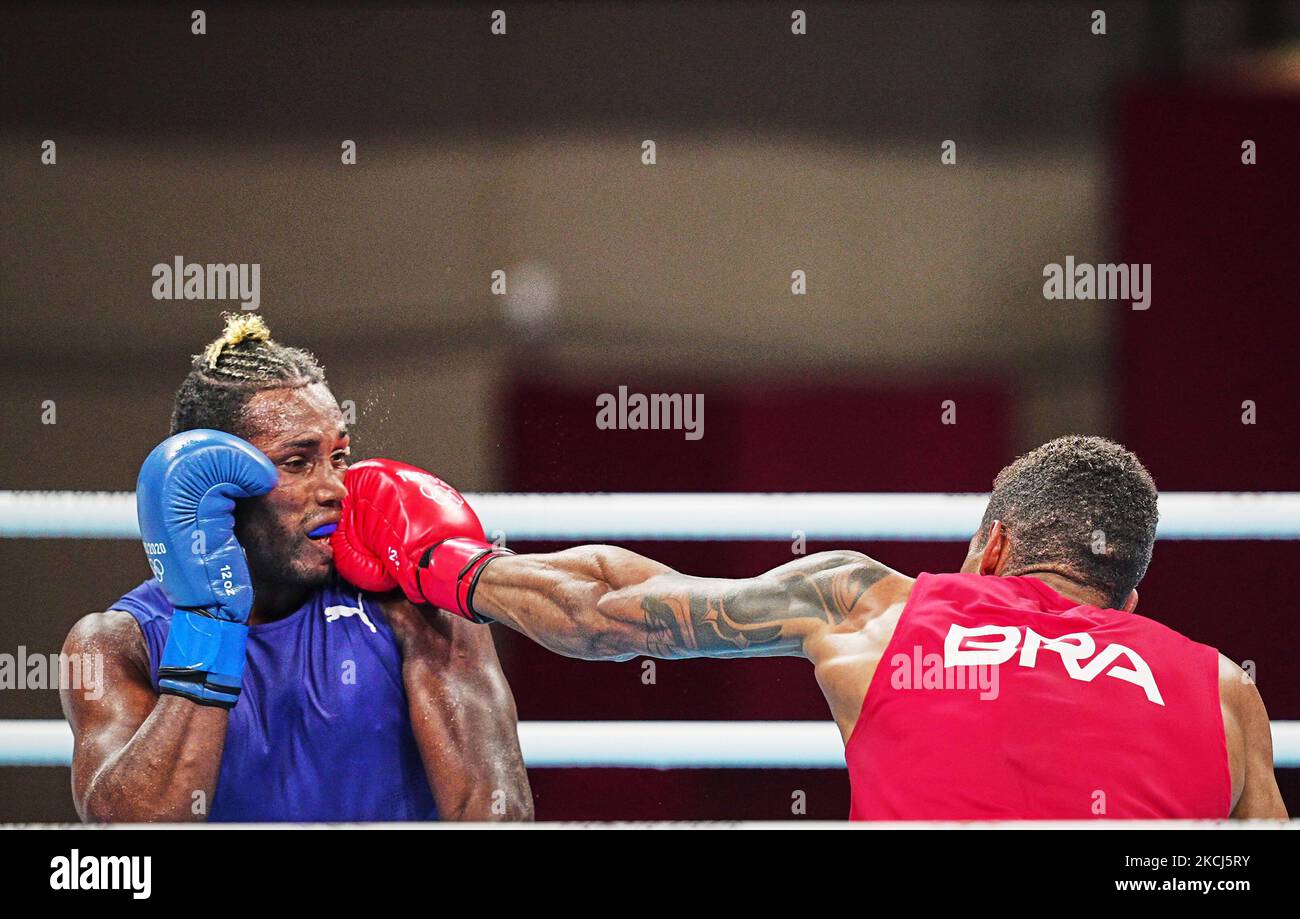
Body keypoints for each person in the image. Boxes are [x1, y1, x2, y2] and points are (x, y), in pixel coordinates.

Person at [331, 436, 1288, 819]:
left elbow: (613, 614)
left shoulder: (873, 606)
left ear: (991, 546)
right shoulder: (1220, 688)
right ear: (1126, 599)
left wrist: (450, 568)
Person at [60, 314, 531, 822]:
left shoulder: (412, 608)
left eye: (339, 457)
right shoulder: (116, 643)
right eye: (298, 462)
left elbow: (494, 815)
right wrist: (210, 627)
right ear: (215, 487)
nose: (335, 489)